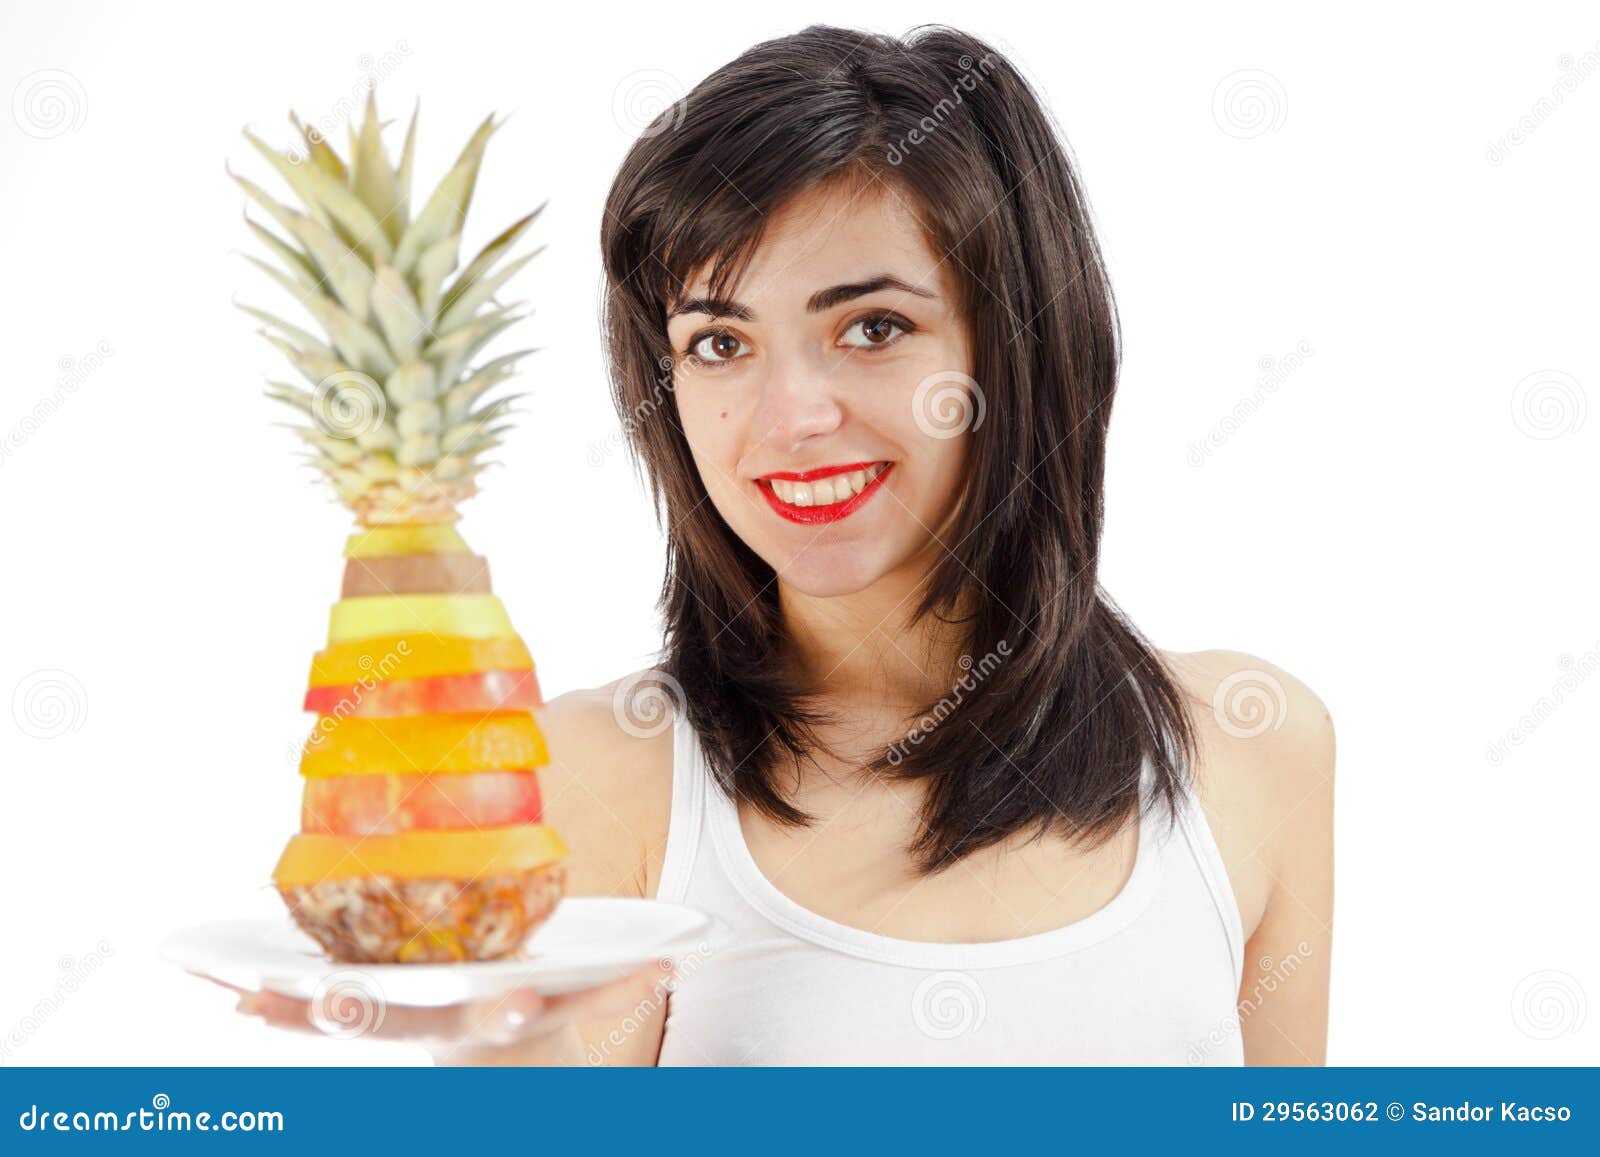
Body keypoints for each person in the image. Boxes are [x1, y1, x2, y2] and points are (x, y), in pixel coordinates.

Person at [239, 23, 1334, 1066]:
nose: (789, 416)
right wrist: (475, 1030)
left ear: (1018, 347)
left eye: (871, 327)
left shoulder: (1252, 749)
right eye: (718, 341)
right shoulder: (598, 782)